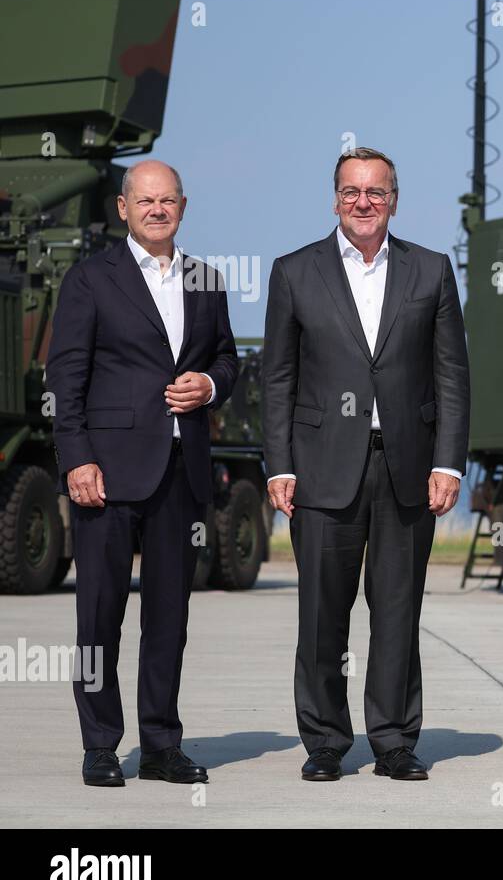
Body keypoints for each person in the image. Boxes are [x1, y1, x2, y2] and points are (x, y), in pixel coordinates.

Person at [261, 147, 470, 782]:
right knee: (322, 613)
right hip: (322, 468)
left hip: (406, 467)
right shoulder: (295, 272)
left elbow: (452, 374)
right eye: (351, 191)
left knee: (398, 610)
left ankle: (396, 742)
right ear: (334, 199)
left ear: (394, 200)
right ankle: (325, 742)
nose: (363, 202)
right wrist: (279, 465)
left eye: (376, 192)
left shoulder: (430, 271)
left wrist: (449, 463)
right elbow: (277, 377)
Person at [47, 160, 238, 787]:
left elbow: (227, 363)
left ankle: (160, 744)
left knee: (169, 617)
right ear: (122, 208)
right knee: (99, 614)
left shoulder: (206, 281)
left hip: (181, 471)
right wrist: (76, 458)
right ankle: (100, 744)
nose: (158, 210)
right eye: (145, 200)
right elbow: (65, 376)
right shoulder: (89, 279)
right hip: (106, 473)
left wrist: (208, 385)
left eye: (168, 201)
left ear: (183, 207)